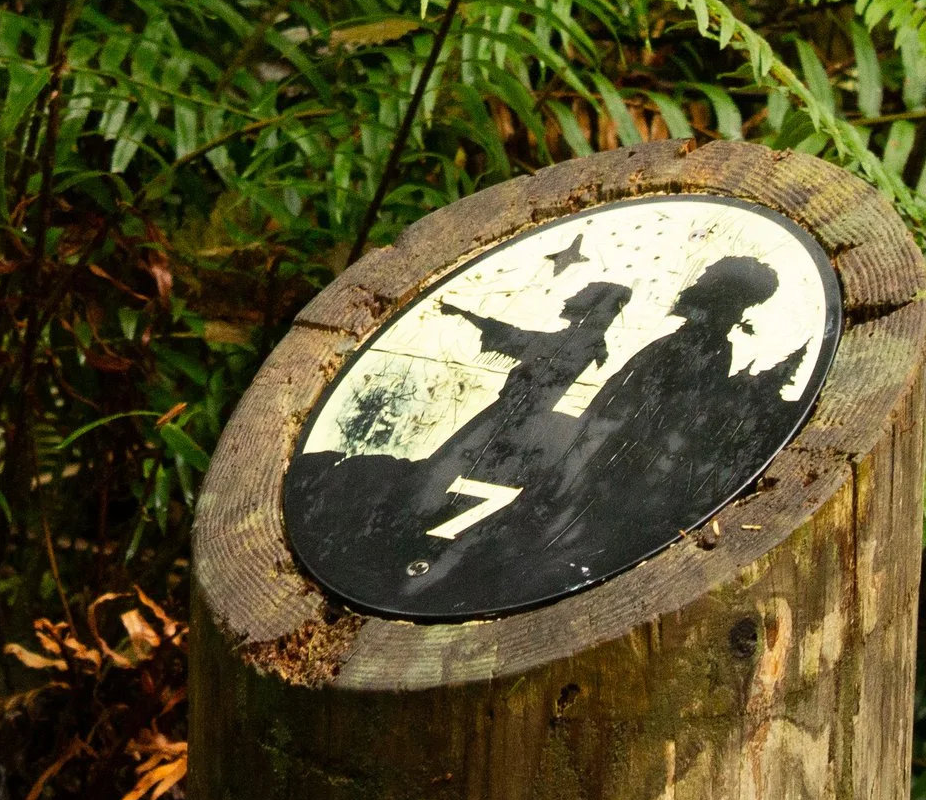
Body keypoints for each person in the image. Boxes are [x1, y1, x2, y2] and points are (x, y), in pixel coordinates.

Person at [287, 254, 811, 620]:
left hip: (607, 468)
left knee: (530, 537)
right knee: (505, 521)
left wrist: (594, 460)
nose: (701, 288)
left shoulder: (701, 350)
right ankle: (430, 564)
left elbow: (646, 419)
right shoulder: (685, 343)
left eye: (717, 285)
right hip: (587, 454)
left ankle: (438, 569)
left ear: (729, 301)